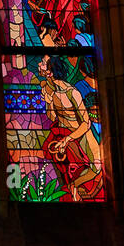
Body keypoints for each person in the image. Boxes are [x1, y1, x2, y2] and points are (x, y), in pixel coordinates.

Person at [36, 54, 102, 201]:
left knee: (97, 165)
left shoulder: (71, 92)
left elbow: (86, 122)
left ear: (50, 72)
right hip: (61, 132)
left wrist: (68, 139)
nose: (39, 64)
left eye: (43, 63)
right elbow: (53, 117)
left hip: (80, 133)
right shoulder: (46, 88)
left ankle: (74, 186)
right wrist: (48, 102)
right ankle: (69, 188)